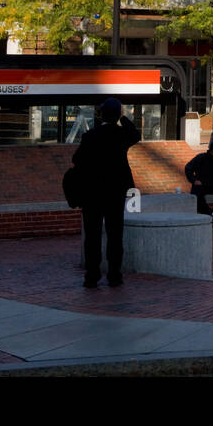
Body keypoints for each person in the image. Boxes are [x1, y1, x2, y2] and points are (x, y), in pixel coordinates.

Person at [71, 98, 140, 289]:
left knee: (92, 236)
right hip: (115, 192)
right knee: (115, 235)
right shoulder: (121, 135)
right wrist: (123, 118)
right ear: (118, 114)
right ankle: (114, 275)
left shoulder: (90, 135)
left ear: (101, 114)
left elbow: (76, 159)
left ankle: (92, 276)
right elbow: (136, 135)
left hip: (92, 192)